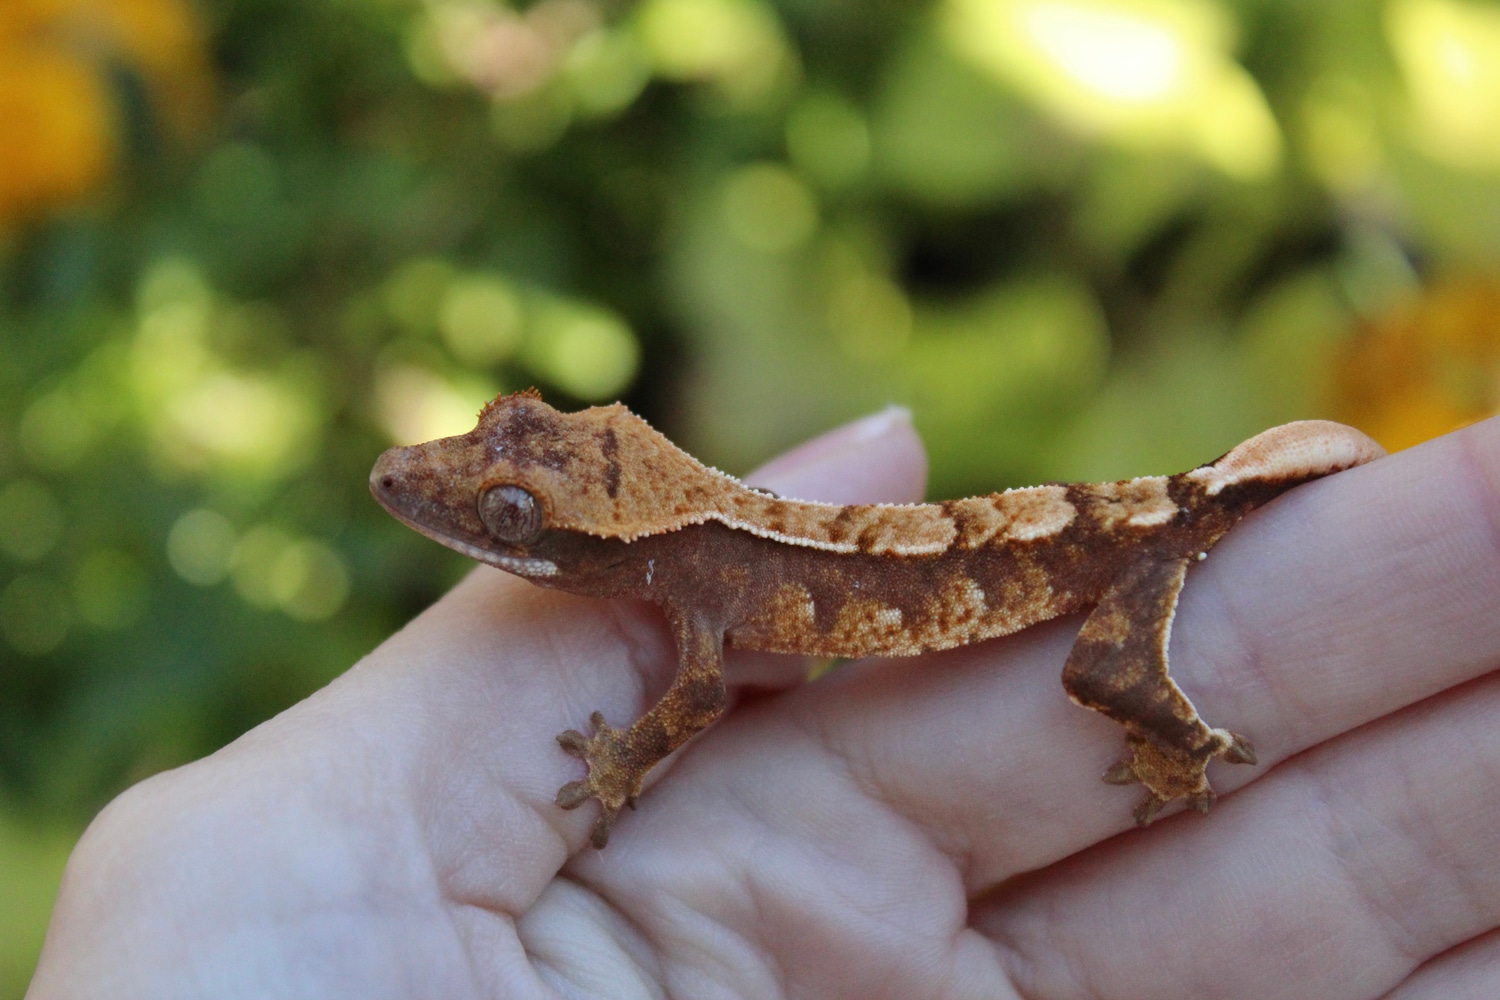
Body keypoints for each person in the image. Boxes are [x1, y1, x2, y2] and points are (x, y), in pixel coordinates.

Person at [26, 407, 1500, 999]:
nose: (429, 479)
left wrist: (616, 770)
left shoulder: (701, 592)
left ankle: (1194, 751)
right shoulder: (701, 559)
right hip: (1115, 525)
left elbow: (691, 701)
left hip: (1114, 556)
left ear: (608, 529)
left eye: (514, 501)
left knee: (1102, 676)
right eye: (498, 479)